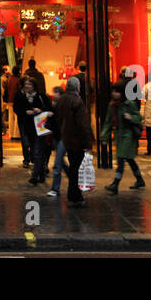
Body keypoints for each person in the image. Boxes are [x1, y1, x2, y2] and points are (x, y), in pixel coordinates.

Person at [100, 83, 145, 192]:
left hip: (128, 135)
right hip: (119, 135)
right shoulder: (112, 105)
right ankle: (139, 179)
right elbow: (108, 122)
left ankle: (115, 184)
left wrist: (131, 117)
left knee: (121, 158)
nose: (114, 94)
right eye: (113, 91)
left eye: (117, 91)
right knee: (129, 158)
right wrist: (104, 137)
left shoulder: (129, 104)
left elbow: (139, 117)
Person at [56, 76, 93, 207]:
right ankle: (75, 196)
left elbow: (58, 119)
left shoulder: (62, 100)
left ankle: (73, 195)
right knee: (76, 169)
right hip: (77, 140)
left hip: (66, 138)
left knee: (73, 166)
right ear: (77, 87)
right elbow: (83, 124)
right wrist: (88, 143)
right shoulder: (77, 101)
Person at [13, 74, 49, 182]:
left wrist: (40, 111)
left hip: (39, 126)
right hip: (28, 126)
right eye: (26, 84)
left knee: (37, 151)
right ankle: (41, 173)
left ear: (34, 86)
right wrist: (25, 112)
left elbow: (49, 109)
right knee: (35, 150)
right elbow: (17, 108)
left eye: (29, 84)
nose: (27, 86)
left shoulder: (41, 96)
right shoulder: (21, 96)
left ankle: (34, 176)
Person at [45, 85, 67, 195]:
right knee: (60, 158)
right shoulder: (54, 106)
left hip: (63, 136)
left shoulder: (64, 106)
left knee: (57, 162)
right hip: (57, 136)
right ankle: (70, 174)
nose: (54, 95)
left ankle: (55, 188)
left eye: (56, 93)